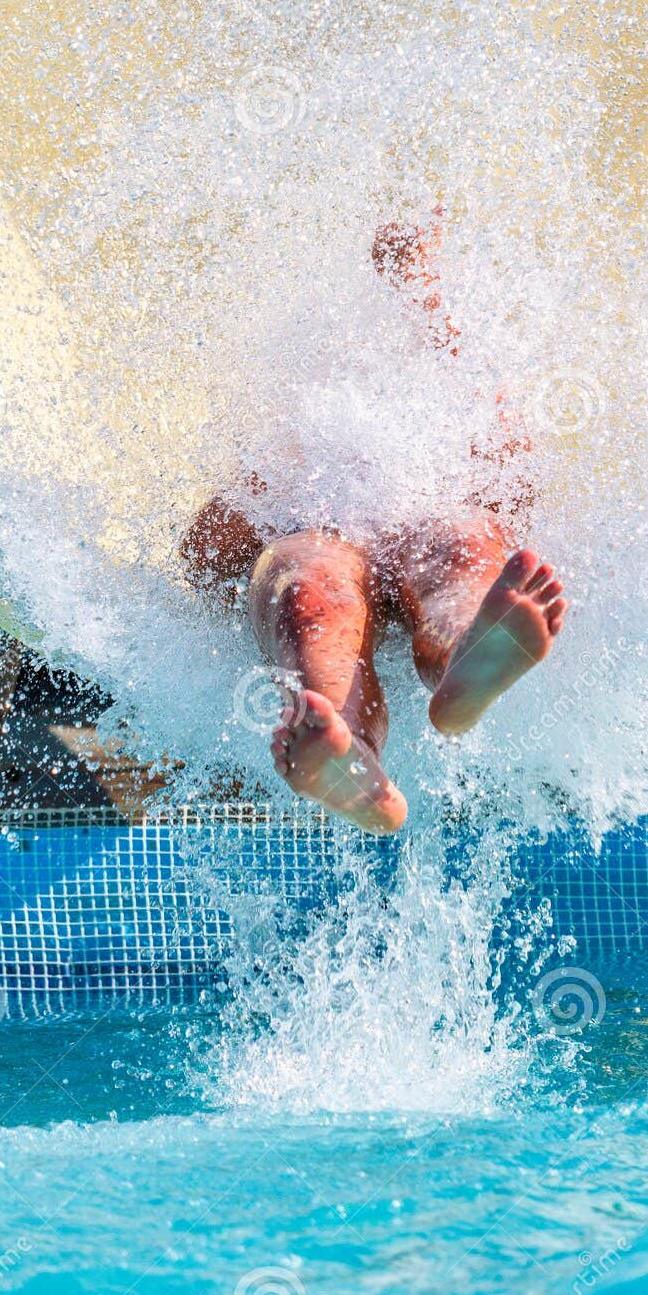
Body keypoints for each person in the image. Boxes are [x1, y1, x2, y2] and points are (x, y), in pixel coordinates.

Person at [182, 216, 568, 833]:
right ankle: (348, 752)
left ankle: (464, 660)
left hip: (433, 522)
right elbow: (205, 550)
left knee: (460, 547)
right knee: (310, 588)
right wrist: (258, 505)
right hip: (323, 535)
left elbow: (514, 479)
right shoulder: (301, 428)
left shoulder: (464, 389)